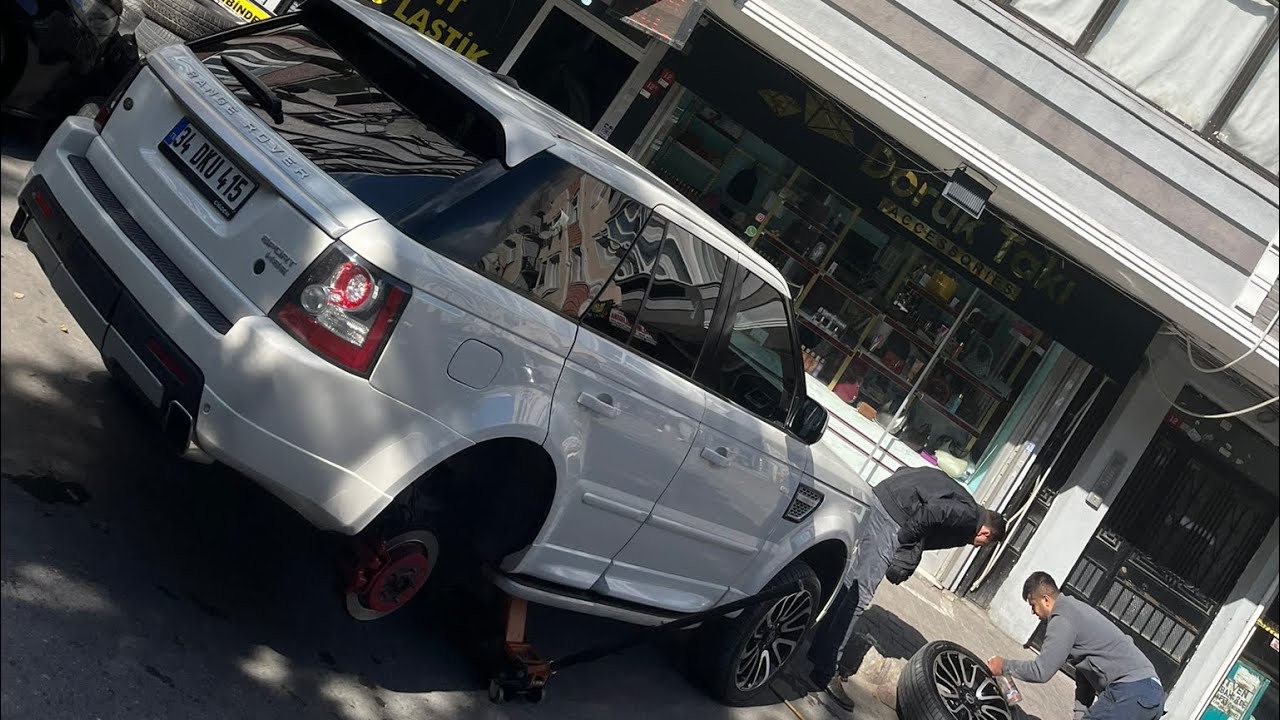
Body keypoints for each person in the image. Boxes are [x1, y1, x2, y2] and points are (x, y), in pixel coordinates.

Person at [807, 466, 1007, 711]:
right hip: (893, 519)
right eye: (983, 544)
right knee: (860, 596)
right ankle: (826, 672)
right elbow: (932, 512)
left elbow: (908, 471)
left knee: (852, 584)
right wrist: (904, 539)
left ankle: (819, 651)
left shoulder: (964, 499)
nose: (977, 547)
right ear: (985, 533)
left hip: (881, 497)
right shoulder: (968, 516)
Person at [988, 572, 1165, 720]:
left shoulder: (1063, 618)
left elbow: (1041, 671)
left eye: (1033, 605)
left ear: (1045, 599)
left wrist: (1004, 665)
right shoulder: (1076, 611)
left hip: (1129, 692)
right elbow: (1085, 676)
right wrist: (1080, 714)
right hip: (1152, 697)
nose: (1033, 612)